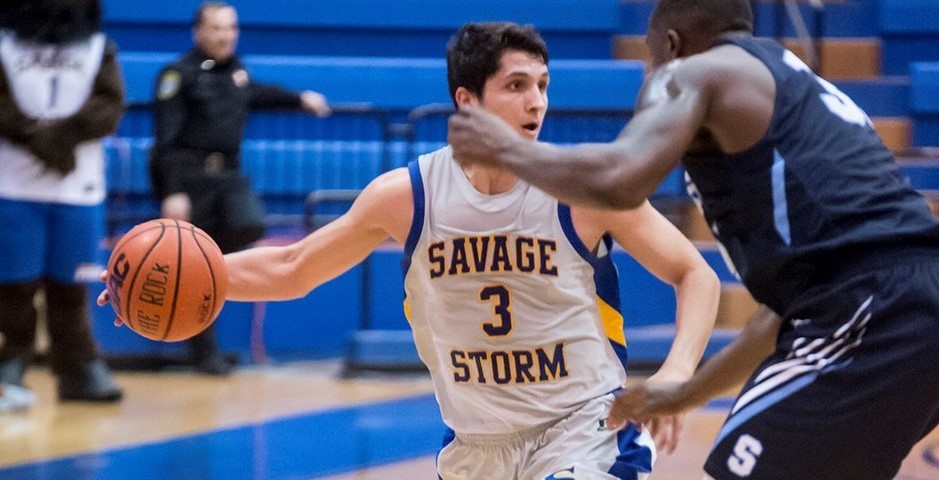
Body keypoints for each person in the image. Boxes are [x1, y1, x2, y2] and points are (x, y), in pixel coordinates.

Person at [104, 21, 719, 478]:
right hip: (476, 446)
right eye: (516, 85)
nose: (537, 102)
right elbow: (294, 267)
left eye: (543, 85)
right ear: (467, 101)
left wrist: (677, 373)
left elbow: (696, 273)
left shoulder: (583, 188)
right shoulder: (408, 196)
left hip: (583, 430)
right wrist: (187, 279)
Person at [447, 1, 939, 479]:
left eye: (649, 56)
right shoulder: (792, 86)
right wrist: (687, 392)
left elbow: (621, 179)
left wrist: (507, 149)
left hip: (878, 307)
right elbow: (785, 315)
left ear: (671, 44)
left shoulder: (693, 74)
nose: (650, 74)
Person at [149, 1, 331, 375]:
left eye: (231, 28)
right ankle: (203, 353)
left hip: (228, 178)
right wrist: (172, 191)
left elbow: (261, 94)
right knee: (193, 265)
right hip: (190, 179)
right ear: (198, 32)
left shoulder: (237, 72)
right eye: (217, 28)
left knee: (246, 226)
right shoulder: (177, 75)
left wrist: (300, 99)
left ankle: (211, 277)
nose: (225, 36)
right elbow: (164, 141)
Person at [0, 0, 124, 403]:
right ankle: (11, 361)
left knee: (72, 283)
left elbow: (109, 105)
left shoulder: (97, 47)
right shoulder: (4, 44)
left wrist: (62, 138)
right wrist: (41, 140)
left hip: (79, 187)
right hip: (12, 184)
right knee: (13, 284)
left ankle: (77, 364)